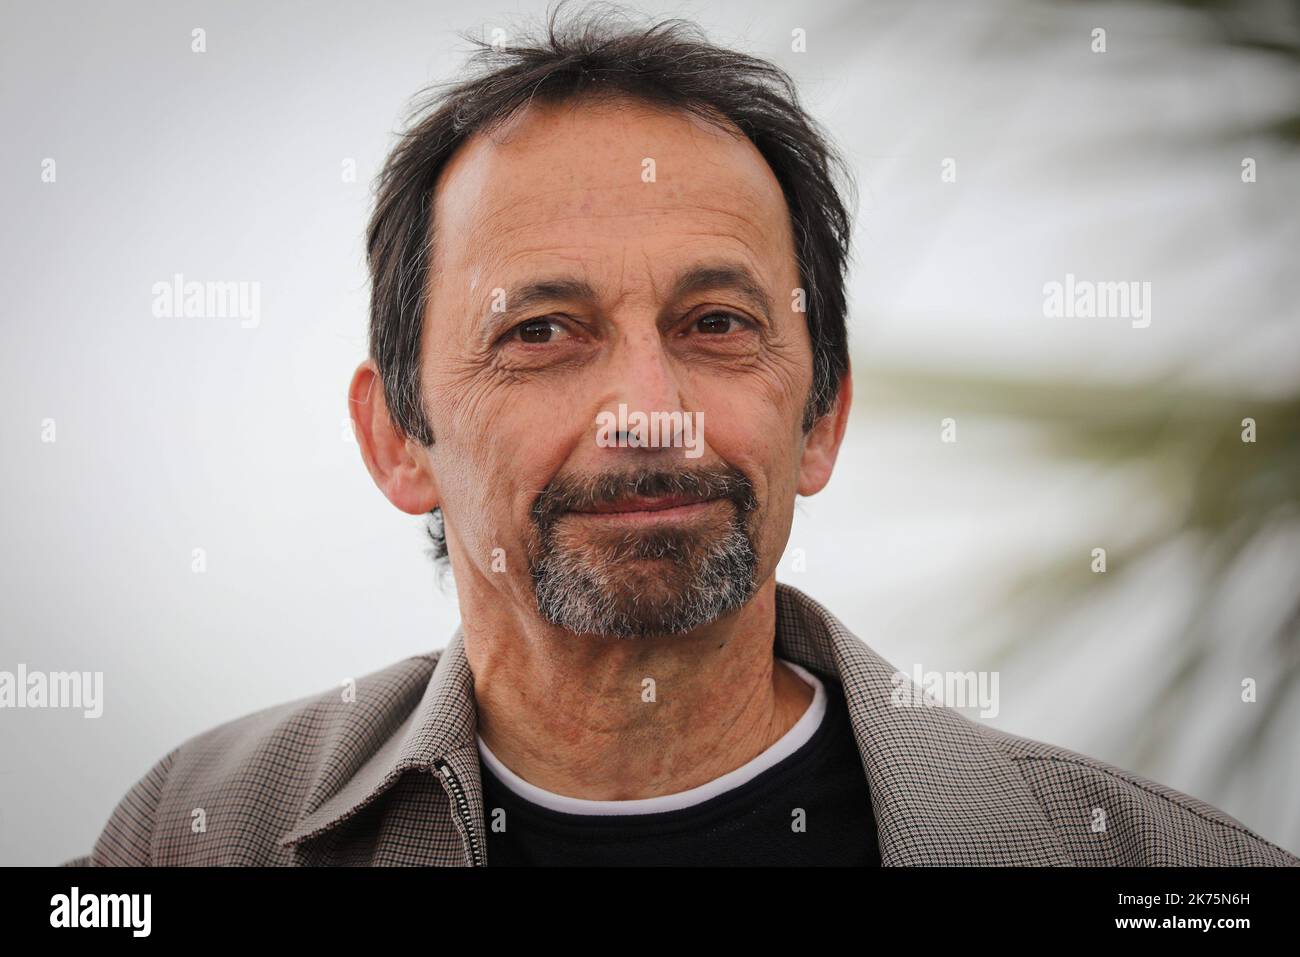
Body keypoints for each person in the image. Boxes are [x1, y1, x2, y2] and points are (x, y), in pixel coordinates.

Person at [72, 3, 1298, 867]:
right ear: (399, 437)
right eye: (544, 333)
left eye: (715, 323)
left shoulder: (1155, 874)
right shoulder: (197, 838)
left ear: (821, 417)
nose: (648, 409)